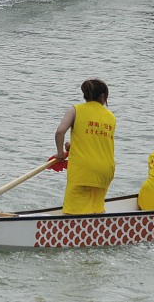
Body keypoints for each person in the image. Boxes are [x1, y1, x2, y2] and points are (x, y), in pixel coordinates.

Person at [54, 79, 116, 215]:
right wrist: (73, 145)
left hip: (83, 169)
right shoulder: (111, 117)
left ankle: (69, 233)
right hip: (105, 170)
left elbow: (60, 132)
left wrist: (60, 154)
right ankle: (96, 233)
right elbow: (97, 141)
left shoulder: (75, 110)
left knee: (73, 212)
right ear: (103, 96)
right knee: (96, 210)